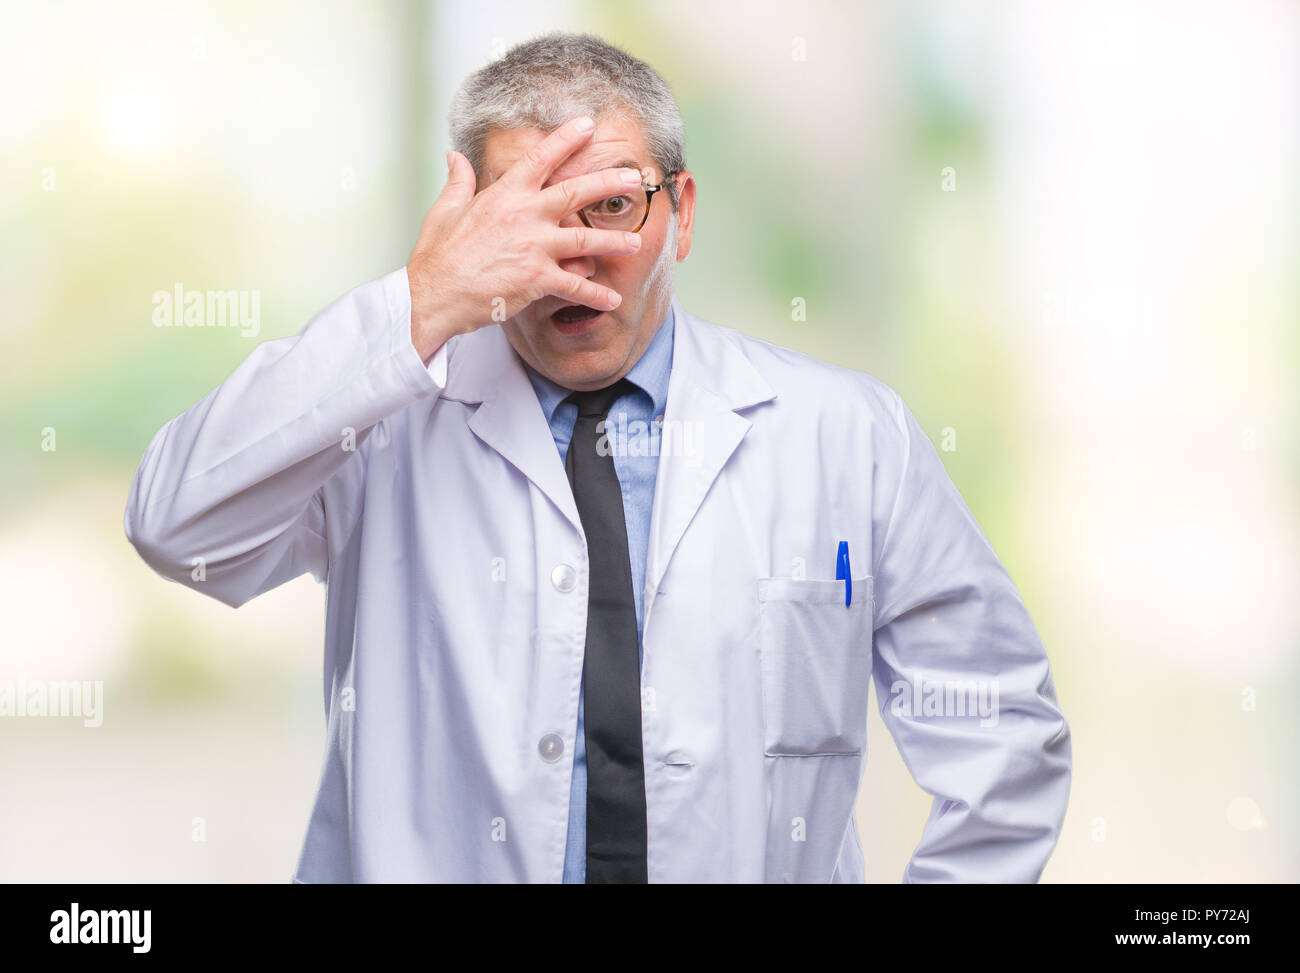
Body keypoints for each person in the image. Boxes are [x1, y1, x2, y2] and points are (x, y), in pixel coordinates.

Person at [125, 31, 1071, 883]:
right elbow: (176, 527)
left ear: (683, 214)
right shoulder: (378, 420)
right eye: (527, 215)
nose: (571, 257)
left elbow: (1002, 739)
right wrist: (420, 304)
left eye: (612, 204)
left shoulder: (847, 435)